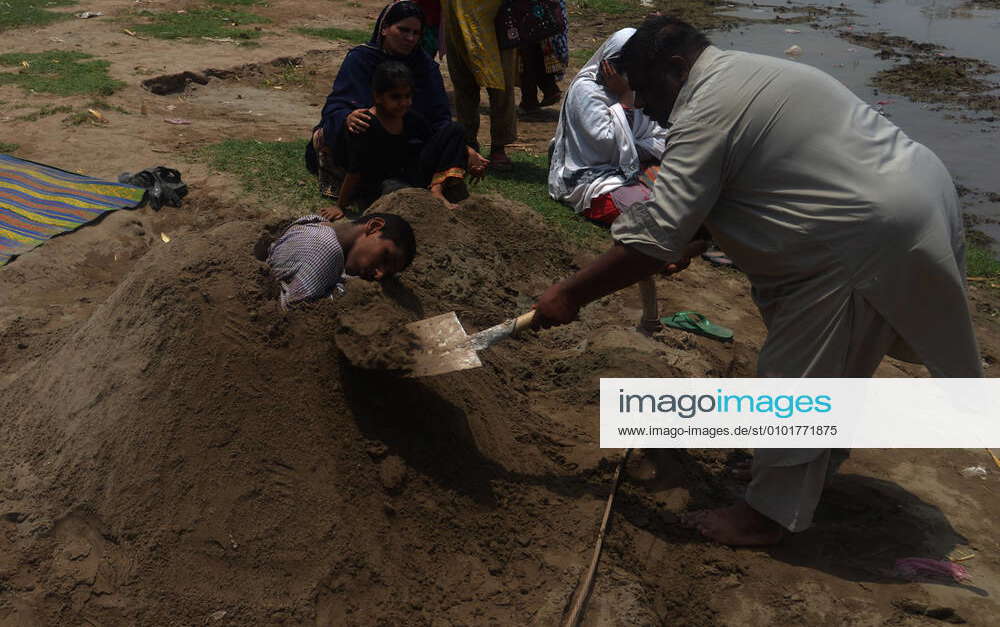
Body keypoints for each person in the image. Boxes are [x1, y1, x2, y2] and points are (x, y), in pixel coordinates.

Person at [532, 16, 983, 546]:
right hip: (906, 195)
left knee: (799, 372)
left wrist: (569, 294)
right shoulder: (739, 75)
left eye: (644, 89)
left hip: (865, 231)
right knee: (833, 364)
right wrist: (688, 235)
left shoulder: (706, 108)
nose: (638, 106)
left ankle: (767, 514)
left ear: (675, 68)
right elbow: (725, 190)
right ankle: (801, 465)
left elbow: (653, 234)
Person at [306, 1, 486, 198]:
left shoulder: (425, 67)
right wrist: (347, 117)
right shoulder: (361, 59)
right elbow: (336, 105)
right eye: (403, 30)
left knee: (456, 132)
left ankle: (430, 185)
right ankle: (379, 185)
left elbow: (439, 118)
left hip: (412, 146)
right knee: (362, 124)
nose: (410, 38)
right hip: (369, 143)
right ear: (384, 29)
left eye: (416, 33)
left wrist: (463, 149)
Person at [548, 28, 668, 225]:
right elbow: (606, 146)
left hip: (638, 166)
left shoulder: (641, 87)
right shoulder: (586, 90)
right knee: (645, 212)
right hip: (597, 176)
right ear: (607, 63)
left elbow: (661, 134)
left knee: (685, 192)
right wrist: (625, 99)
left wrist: (636, 147)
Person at [327, 61, 475, 216]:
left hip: (411, 174)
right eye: (396, 97)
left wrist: (467, 152)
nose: (404, 103)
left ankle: (436, 189)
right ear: (378, 96)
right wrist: (340, 206)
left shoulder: (410, 118)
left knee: (455, 129)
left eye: (408, 96)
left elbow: (436, 143)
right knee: (399, 191)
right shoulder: (365, 125)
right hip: (383, 185)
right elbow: (354, 172)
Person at [266, 213, 416, 309]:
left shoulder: (317, 222)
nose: (379, 274)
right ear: (374, 226)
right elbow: (290, 310)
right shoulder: (328, 250)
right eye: (385, 257)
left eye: (387, 273)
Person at [442, 0, 518, 170]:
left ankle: (499, 146)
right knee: (463, 85)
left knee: (501, 87)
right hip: (457, 16)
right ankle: (467, 143)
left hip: (495, 19)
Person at [518, 0, 568, 112]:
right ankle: (548, 89)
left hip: (530, 14)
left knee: (527, 55)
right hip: (540, 16)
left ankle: (530, 100)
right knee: (536, 50)